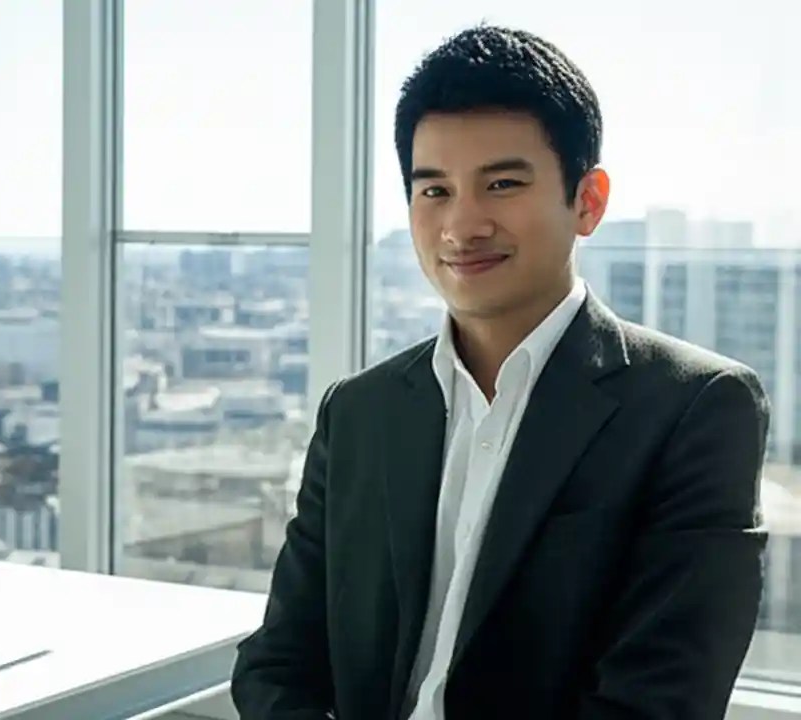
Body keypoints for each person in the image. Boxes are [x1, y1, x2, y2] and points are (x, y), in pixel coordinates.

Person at [231, 24, 771, 720]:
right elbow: (277, 662)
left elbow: (659, 702)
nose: (462, 225)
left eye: (503, 183)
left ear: (588, 201)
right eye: (435, 191)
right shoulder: (359, 413)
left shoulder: (695, 408)